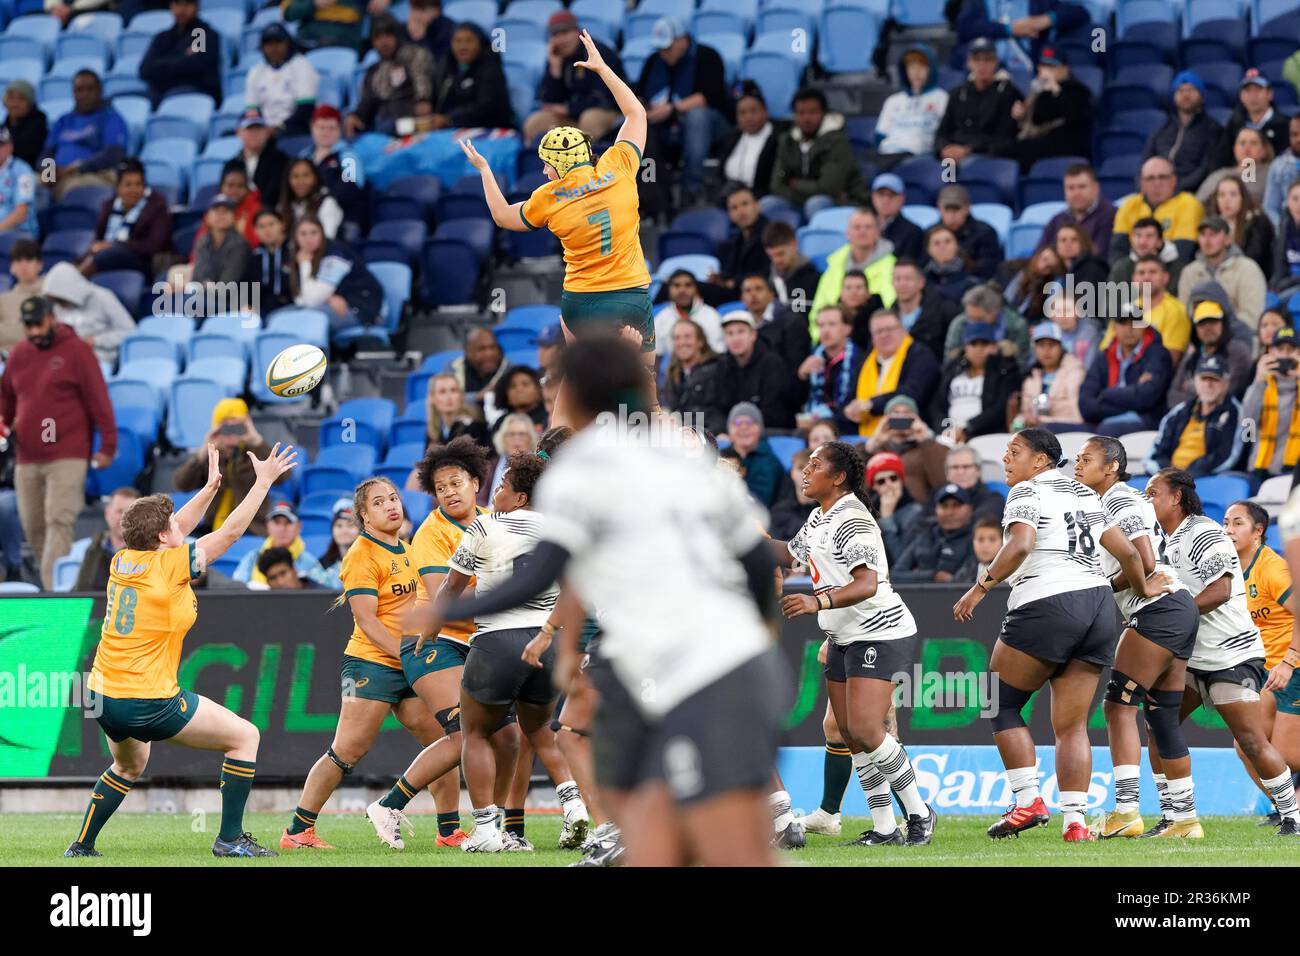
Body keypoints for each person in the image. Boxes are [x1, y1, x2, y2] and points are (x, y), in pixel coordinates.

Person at [63, 442, 298, 859]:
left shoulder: (123, 561)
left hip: (99, 695)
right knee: (245, 737)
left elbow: (174, 530)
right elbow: (229, 534)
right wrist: (262, 482)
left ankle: (82, 845)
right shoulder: (170, 567)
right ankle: (229, 839)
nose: (179, 524)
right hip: (145, 700)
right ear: (162, 536)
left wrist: (209, 489)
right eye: (172, 523)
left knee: (129, 766)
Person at [952, 428, 1170, 842]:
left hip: (1049, 600)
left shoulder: (1027, 492)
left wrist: (979, 588)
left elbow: (1021, 543)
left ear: (1040, 461)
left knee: (1000, 701)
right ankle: (1075, 823)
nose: (1004, 459)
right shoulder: (1085, 495)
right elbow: (1126, 551)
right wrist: (1143, 588)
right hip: (1099, 605)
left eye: (1014, 451)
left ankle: (1029, 801)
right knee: (1071, 727)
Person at [463, 31, 654, 423]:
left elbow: (502, 216)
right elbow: (637, 114)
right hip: (629, 294)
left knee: (575, 381)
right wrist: (603, 70)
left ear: (553, 166)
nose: (544, 171)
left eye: (545, 165)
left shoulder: (548, 199)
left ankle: (552, 447)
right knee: (643, 383)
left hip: (581, 300)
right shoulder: (618, 168)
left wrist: (485, 170)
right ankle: (649, 440)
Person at [415, 449, 592, 854]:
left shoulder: (483, 526)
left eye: (503, 487)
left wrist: (433, 625)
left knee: (474, 733)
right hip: (546, 643)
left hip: (497, 642)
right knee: (540, 732)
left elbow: (452, 587)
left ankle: (486, 831)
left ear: (521, 497)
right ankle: (574, 804)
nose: (496, 493)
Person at [774, 440, 936, 845]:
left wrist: (818, 601)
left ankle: (919, 813)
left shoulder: (854, 521)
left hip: (880, 632)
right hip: (844, 635)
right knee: (848, 731)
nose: (804, 472)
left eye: (814, 465)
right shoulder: (819, 517)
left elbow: (866, 583)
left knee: (866, 727)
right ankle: (884, 828)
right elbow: (789, 554)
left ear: (839, 476)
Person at [368, 437, 527, 851]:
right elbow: (447, 600)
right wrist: (512, 592)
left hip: (480, 642)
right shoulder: (430, 534)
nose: (449, 492)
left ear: (477, 483)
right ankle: (390, 805)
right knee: (466, 732)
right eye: (440, 488)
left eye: (456, 482)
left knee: (509, 737)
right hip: (431, 643)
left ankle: (495, 828)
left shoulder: (497, 519)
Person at [278, 477, 447, 851]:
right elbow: (367, 621)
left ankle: (449, 833)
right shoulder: (360, 554)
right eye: (378, 502)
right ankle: (297, 832)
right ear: (364, 517)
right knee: (347, 750)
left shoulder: (410, 549)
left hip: (407, 662)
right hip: (370, 663)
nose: (390, 505)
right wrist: (408, 659)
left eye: (394, 498)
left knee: (441, 743)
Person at [1144, 468, 1300, 837]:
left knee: (1252, 741)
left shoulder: (1204, 533)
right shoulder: (1161, 540)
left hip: (1233, 656)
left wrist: (1291, 659)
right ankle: (1176, 817)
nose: (1146, 500)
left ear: (1176, 498)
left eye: (1153, 493)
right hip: (1191, 656)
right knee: (1158, 725)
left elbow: (1220, 588)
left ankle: (1292, 815)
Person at [1071, 437, 1200, 839]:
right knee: (1161, 716)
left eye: (1087, 459)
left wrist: (1104, 586)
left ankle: (1126, 810)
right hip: (1179, 608)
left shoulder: (1119, 500)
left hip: (1157, 609)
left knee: (1116, 707)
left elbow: (1142, 559)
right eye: (1076, 458)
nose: (1078, 465)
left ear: (1111, 467)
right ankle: (1185, 819)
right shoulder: (1112, 501)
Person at [1227, 500, 1300, 825]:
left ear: (1258, 531)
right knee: (1247, 745)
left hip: (1292, 667)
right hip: (1262, 670)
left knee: (1287, 758)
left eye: (1238, 523)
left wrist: (1289, 660)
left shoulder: (1273, 569)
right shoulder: (1227, 568)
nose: (1229, 530)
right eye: (1226, 522)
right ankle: (1288, 810)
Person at [635, 17, 732, 206]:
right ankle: (653, 196)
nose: (663, 53)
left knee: (697, 117)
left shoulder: (707, 56)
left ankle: (692, 188)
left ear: (683, 40)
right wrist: (644, 108)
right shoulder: (654, 61)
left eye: (668, 48)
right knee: (636, 123)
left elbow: (711, 96)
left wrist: (672, 109)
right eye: (660, 49)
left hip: (711, 124)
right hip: (664, 124)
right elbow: (640, 93)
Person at [172, 398, 285, 535]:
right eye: (226, 428)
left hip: (251, 528)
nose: (232, 434)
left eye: (237, 428)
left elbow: (283, 476)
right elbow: (182, 484)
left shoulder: (255, 454)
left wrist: (256, 440)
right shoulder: (212, 457)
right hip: (212, 527)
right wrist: (204, 451)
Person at [524, 10, 625, 144]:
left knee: (590, 120)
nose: (560, 40)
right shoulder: (557, 56)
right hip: (573, 115)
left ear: (577, 32)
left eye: (565, 33)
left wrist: (569, 109)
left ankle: (593, 163)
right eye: (555, 35)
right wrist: (555, 68)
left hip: (609, 112)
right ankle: (550, 163)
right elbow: (548, 100)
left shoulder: (596, 52)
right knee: (535, 122)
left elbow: (604, 98)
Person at [770, 86, 869, 210]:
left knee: (816, 203)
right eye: (801, 113)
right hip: (799, 199)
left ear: (824, 113)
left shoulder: (837, 141)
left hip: (844, 200)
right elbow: (776, 185)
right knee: (768, 204)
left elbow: (828, 188)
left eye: (812, 112)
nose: (806, 118)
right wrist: (801, 193)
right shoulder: (787, 140)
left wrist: (794, 183)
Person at [998, 46, 1092, 171]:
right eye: (1043, 67)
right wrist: (1021, 114)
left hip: (1068, 143)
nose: (1047, 71)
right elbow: (1036, 120)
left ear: (1064, 68)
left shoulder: (1078, 90)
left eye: (1052, 67)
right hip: (1042, 141)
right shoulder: (1040, 93)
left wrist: (1056, 89)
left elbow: (1074, 116)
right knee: (1002, 149)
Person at [1079, 311, 1172, 435]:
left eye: (1135, 323)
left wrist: (1106, 394)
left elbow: (1146, 398)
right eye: (1123, 323)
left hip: (1144, 423)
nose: (1130, 329)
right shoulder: (1104, 356)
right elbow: (1085, 405)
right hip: (1101, 422)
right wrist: (1130, 397)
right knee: (1051, 429)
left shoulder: (1157, 355)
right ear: (1114, 328)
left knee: (1106, 432)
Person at [1148, 354, 1243, 476]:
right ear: (1196, 381)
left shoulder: (1237, 414)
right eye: (1204, 378)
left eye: (1215, 379)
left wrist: (1188, 475)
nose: (1208, 385)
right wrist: (1166, 474)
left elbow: (1228, 457)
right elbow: (1156, 452)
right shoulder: (1179, 412)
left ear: (1226, 383)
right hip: (1169, 478)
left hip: (1206, 479)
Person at [40, 70, 128, 200]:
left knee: (74, 189)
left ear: (100, 90)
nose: (84, 94)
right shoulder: (63, 120)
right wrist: (49, 174)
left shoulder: (111, 118)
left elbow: (113, 154)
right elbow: (47, 153)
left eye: (90, 89)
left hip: (92, 174)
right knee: (30, 187)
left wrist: (75, 169)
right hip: (57, 175)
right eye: (79, 90)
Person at [288, 215, 383, 335]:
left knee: (308, 321)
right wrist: (327, 297)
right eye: (303, 234)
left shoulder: (334, 253)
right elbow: (302, 299)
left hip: (357, 305)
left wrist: (305, 265)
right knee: (276, 319)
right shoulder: (258, 255)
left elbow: (312, 300)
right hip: (262, 308)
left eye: (313, 233)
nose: (308, 238)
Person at [81, 159, 172, 278]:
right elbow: (99, 240)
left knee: (111, 253)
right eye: (128, 185)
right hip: (105, 257)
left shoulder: (157, 205)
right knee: (68, 264)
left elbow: (154, 246)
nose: (133, 190)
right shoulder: (108, 205)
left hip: (140, 261)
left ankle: (77, 278)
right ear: (118, 187)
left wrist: (118, 245)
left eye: (138, 184)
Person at [934, 38, 1021, 163]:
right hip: (954, 154)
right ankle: (949, 182)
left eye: (987, 59)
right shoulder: (957, 93)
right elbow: (943, 131)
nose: (982, 65)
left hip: (985, 154)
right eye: (976, 59)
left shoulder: (1008, 92)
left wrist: (969, 149)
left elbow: (1005, 136)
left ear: (996, 62)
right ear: (969, 62)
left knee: (969, 166)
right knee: (946, 169)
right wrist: (944, 148)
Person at [347, 15, 435, 137]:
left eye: (388, 35)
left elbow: (422, 83)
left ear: (397, 36)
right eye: (378, 38)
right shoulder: (374, 70)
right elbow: (367, 100)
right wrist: (356, 115)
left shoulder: (414, 55)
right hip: (381, 126)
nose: (383, 42)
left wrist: (423, 100)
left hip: (410, 121)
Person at [932, 321, 1020, 441]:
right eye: (973, 344)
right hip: (949, 435)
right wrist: (946, 429)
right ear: (966, 347)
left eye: (985, 343)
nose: (979, 349)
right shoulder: (952, 369)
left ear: (994, 346)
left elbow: (1000, 408)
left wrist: (967, 428)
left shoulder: (1005, 369)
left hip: (986, 436)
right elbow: (937, 405)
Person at [1176, 215, 1267, 330]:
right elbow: (1183, 314)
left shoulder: (1247, 269)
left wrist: (1221, 332)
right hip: (1198, 338)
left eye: (1213, 234)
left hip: (1238, 338)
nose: (1207, 240)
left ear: (1228, 239)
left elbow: (1253, 316)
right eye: (1203, 234)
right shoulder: (1189, 272)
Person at [713, 312, 800, 430]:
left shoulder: (773, 364)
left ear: (753, 335)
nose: (735, 338)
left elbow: (775, 411)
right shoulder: (722, 366)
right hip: (735, 433)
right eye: (730, 333)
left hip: (770, 432)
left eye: (741, 331)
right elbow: (719, 407)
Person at [41, 261, 135, 369]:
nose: (60, 305)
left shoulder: (103, 297)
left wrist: (95, 340)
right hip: (66, 357)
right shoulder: (58, 307)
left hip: (99, 356)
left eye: (61, 300)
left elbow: (129, 331)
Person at [1168, 289, 1255, 406]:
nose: (1208, 327)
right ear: (1195, 329)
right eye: (1202, 323)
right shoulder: (1192, 356)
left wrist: (1191, 388)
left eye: (1213, 321)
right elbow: (1172, 395)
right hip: (1189, 417)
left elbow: (1229, 391)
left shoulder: (1238, 352)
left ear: (1223, 323)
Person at [1099, 254, 1190, 365]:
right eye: (1141, 273)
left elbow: (1169, 360)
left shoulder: (1176, 310)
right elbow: (1105, 350)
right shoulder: (1125, 309)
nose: (1146, 277)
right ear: (1134, 279)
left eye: (1153, 272)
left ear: (1165, 278)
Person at [810, 208, 897, 322]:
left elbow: (891, 308)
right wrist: (819, 337)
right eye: (857, 227)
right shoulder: (834, 264)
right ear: (847, 233)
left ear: (877, 233)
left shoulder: (892, 266)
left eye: (868, 227)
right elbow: (818, 308)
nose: (862, 232)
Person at [1110, 157, 1205, 262]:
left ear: (1174, 180)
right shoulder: (1129, 205)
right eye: (1150, 178)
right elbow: (1117, 252)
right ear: (1142, 183)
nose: (1157, 183)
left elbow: (1183, 253)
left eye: (1162, 177)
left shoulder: (1188, 204)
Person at [1143, 71, 1222, 195]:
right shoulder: (1162, 129)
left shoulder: (1213, 129)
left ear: (1201, 96)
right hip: (1156, 191)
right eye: (1180, 91)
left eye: (1191, 90)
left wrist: (1173, 188)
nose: (1185, 95)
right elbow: (1145, 163)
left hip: (1189, 193)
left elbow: (1206, 170)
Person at [427, 23, 514, 130]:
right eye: (457, 41)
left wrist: (449, 119)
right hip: (453, 129)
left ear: (480, 43)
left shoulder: (491, 68)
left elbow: (486, 107)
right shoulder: (447, 66)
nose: (463, 47)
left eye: (469, 41)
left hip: (490, 129)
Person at [1242, 326, 1300, 486]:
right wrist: (1259, 381)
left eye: (1291, 350)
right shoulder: (1260, 385)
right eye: (1280, 349)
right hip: (1259, 470)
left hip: (1294, 473)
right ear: (1270, 352)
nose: (1285, 355)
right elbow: (1246, 429)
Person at [138, 0, 222, 105]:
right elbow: (144, 69)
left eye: (187, 4)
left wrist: (161, 65)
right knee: (122, 98)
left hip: (195, 91)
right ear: (171, 6)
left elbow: (194, 66)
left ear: (197, 6)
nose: (181, 10)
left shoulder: (202, 34)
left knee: (167, 99)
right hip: (160, 92)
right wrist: (178, 61)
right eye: (177, 3)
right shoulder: (162, 37)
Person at [873, 45, 948, 163]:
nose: (916, 72)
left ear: (931, 69)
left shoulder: (941, 98)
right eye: (912, 67)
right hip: (887, 155)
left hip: (918, 157)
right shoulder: (893, 101)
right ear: (905, 71)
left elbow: (946, 134)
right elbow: (880, 136)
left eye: (922, 66)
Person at [798, 305, 865, 435]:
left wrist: (827, 421)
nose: (825, 331)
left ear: (847, 329)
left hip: (847, 428)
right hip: (813, 427)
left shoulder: (860, 360)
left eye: (832, 324)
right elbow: (795, 401)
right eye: (821, 325)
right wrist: (801, 375)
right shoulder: (811, 357)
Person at [232, 501, 330, 588]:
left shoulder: (310, 563)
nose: (282, 528)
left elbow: (321, 596)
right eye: (277, 522)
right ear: (268, 526)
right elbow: (237, 591)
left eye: (288, 523)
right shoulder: (252, 558)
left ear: (299, 527)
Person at [244, 24, 319, 138]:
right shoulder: (256, 71)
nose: (273, 48)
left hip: (294, 129)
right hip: (265, 131)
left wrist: (279, 127)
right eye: (268, 43)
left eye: (278, 42)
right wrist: (261, 129)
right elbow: (252, 110)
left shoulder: (302, 66)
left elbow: (306, 109)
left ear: (288, 44)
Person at [894, 483, 976, 584]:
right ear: (936, 509)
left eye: (956, 505)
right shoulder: (925, 535)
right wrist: (933, 576)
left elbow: (966, 579)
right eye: (944, 506)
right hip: (920, 597)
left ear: (969, 509)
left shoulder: (976, 539)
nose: (950, 512)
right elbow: (896, 574)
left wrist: (916, 575)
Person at [302, 106, 365, 231]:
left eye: (331, 128)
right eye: (321, 128)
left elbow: (351, 189)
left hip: (343, 218)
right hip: (307, 214)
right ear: (312, 128)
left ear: (339, 130)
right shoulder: (304, 156)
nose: (326, 132)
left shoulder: (348, 157)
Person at [711, 83, 778, 199]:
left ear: (765, 112)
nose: (748, 117)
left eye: (753, 111)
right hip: (730, 196)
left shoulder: (777, 140)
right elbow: (719, 174)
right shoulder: (732, 137)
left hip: (761, 198)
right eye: (742, 113)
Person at [1216, 69, 1291, 170]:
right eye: (1248, 90)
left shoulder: (1285, 125)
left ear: (1270, 94)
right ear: (1241, 96)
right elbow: (1221, 159)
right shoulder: (1234, 124)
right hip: (1240, 178)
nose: (1253, 95)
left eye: (1258, 89)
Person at [661, 318, 724, 435]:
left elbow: (719, 412)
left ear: (700, 342)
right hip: (683, 434)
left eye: (687, 337)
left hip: (710, 436)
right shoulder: (672, 373)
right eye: (677, 338)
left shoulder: (718, 369)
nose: (682, 342)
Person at [944, 284, 1031, 368]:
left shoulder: (1018, 326)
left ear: (996, 311)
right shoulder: (959, 324)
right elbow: (949, 363)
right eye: (970, 318)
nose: (974, 324)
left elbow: (1021, 365)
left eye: (979, 319)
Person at [1036, 163, 1116, 256]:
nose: (1076, 193)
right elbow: (1038, 256)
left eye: (1082, 187)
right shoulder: (1057, 220)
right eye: (1071, 188)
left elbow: (1100, 256)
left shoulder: (1111, 216)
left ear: (1096, 188)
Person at [1019, 321, 1086, 429]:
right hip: (1036, 434)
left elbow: (1077, 416)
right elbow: (1024, 413)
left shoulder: (1074, 370)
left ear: (1061, 346)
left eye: (1052, 345)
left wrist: (1043, 421)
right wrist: (1019, 423)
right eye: (1041, 345)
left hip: (1067, 432)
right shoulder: (1032, 375)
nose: (1046, 351)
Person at [72, 487, 141, 592]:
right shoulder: (94, 548)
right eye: (119, 511)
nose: (124, 518)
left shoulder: (146, 552)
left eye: (130, 513)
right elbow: (80, 590)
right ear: (107, 514)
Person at [1206, 173, 1275, 277]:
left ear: (1243, 198)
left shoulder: (1258, 221)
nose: (1226, 200)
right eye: (1222, 195)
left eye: (1233, 194)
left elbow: (1253, 259)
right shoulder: (1211, 223)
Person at [891, 257, 959, 362]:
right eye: (897, 279)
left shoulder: (944, 310)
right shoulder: (888, 318)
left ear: (921, 282)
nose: (902, 284)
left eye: (908, 279)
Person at [724, 402, 786, 509]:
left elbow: (759, 502)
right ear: (729, 429)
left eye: (750, 422)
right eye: (737, 423)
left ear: (760, 428)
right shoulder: (719, 456)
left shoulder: (769, 463)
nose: (743, 427)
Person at [935, 184, 1002, 280]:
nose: (951, 216)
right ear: (939, 208)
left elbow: (988, 270)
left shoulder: (985, 233)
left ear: (967, 208)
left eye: (956, 209)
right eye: (947, 210)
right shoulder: (932, 234)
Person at [711, 186, 771, 292]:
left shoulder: (771, 233)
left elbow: (770, 272)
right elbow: (730, 272)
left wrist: (735, 282)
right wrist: (720, 278)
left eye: (745, 204)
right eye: (734, 208)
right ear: (729, 214)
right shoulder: (734, 241)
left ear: (758, 206)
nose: (741, 211)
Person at [653, 269, 723, 357]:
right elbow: (655, 356)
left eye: (688, 285)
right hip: (671, 369)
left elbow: (718, 352)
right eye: (677, 285)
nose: (682, 290)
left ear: (696, 289)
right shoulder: (661, 319)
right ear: (669, 290)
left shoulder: (711, 316)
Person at [1199, 128, 1274, 209]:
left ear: (1263, 150)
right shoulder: (1219, 174)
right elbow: (1198, 203)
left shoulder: (1272, 174)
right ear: (1234, 149)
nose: (1247, 148)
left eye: (1253, 143)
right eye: (1242, 143)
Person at [1108, 216, 1184, 289]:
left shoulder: (1177, 269)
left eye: (1149, 236)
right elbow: (1111, 300)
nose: (1142, 242)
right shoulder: (1121, 268)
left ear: (1160, 241)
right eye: (1138, 235)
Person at [242, 210, 295, 315]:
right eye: (261, 226)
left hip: (291, 308)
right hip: (262, 310)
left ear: (282, 225)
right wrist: (246, 305)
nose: (267, 230)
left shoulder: (295, 252)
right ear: (255, 231)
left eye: (271, 224)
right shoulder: (256, 256)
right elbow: (246, 286)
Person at [277, 158, 344, 239]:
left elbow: (327, 239)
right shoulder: (283, 205)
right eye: (295, 176)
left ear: (315, 177)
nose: (300, 181)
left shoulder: (327, 203)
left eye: (306, 175)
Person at [763, 220, 821, 312]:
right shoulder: (769, 279)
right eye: (771, 256)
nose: (776, 260)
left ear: (794, 244)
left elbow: (801, 316)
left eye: (780, 254)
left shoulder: (812, 278)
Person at [424, 372, 489, 452]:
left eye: (453, 390)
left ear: (461, 396)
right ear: (432, 398)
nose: (449, 397)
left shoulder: (473, 427)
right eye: (442, 392)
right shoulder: (433, 431)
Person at [0, 240, 44, 351]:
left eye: (29, 259)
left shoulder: (50, 295)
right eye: (18, 260)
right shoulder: (3, 299)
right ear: (12, 267)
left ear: (39, 265)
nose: (23, 265)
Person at [453, 327, 509, 413]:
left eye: (493, 347)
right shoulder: (454, 367)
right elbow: (447, 399)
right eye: (481, 349)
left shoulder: (509, 370)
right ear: (467, 352)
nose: (489, 354)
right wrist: (477, 397)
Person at [870, 174, 924, 262]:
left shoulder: (913, 232)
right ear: (873, 197)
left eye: (892, 195)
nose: (885, 200)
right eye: (881, 194)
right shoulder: (863, 226)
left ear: (902, 198)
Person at [922, 223, 979, 304]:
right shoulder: (922, 280)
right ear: (928, 250)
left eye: (948, 241)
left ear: (957, 245)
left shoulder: (972, 277)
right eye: (936, 243)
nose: (943, 246)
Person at [1263, 115, 1300, 229]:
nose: (1299, 139)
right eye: (1294, 135)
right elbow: (1270, 207)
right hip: (1286, 229)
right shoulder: (1278, 166)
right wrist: (1283, 229)